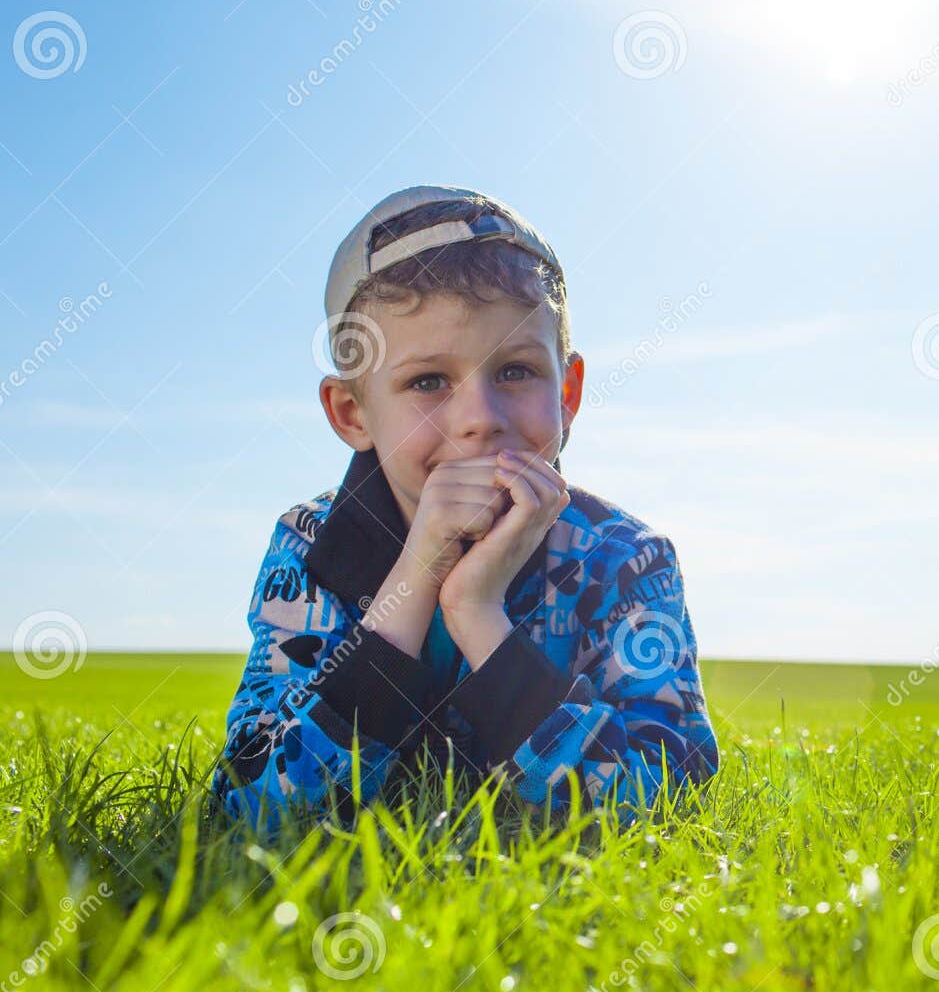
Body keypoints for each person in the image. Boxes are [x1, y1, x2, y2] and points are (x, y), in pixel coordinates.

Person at [210, 184, 718, 829]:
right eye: (428, 382)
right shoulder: (310, 547)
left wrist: (478, 615)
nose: (480, 419)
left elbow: (672, 803)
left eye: (515, 371)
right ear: (352, 412)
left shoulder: (624, 559)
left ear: (567, 392)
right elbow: (255, 811)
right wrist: (414, 583)